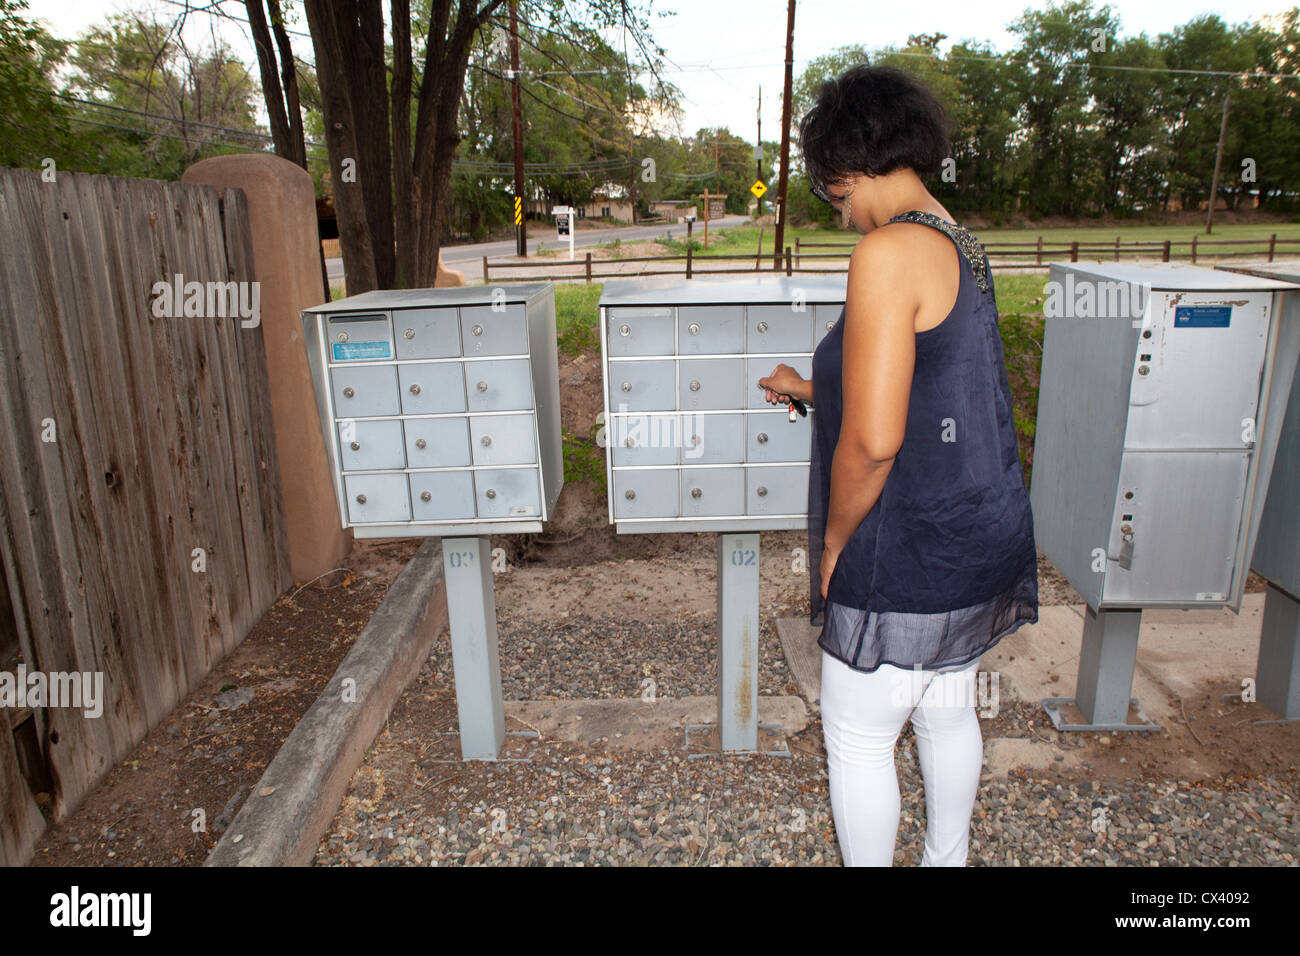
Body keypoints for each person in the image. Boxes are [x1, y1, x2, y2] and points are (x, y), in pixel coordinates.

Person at [758, 64, 1038, 866]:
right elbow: (928, 379)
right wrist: (810, 388)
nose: (838, 211)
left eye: (832, 192)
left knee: (856, 735)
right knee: (945, 710)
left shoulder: (886, 251)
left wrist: (837, 541)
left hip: (910, 543)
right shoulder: (956, 236)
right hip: (981, 532)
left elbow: (877, 442)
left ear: (843, 168)